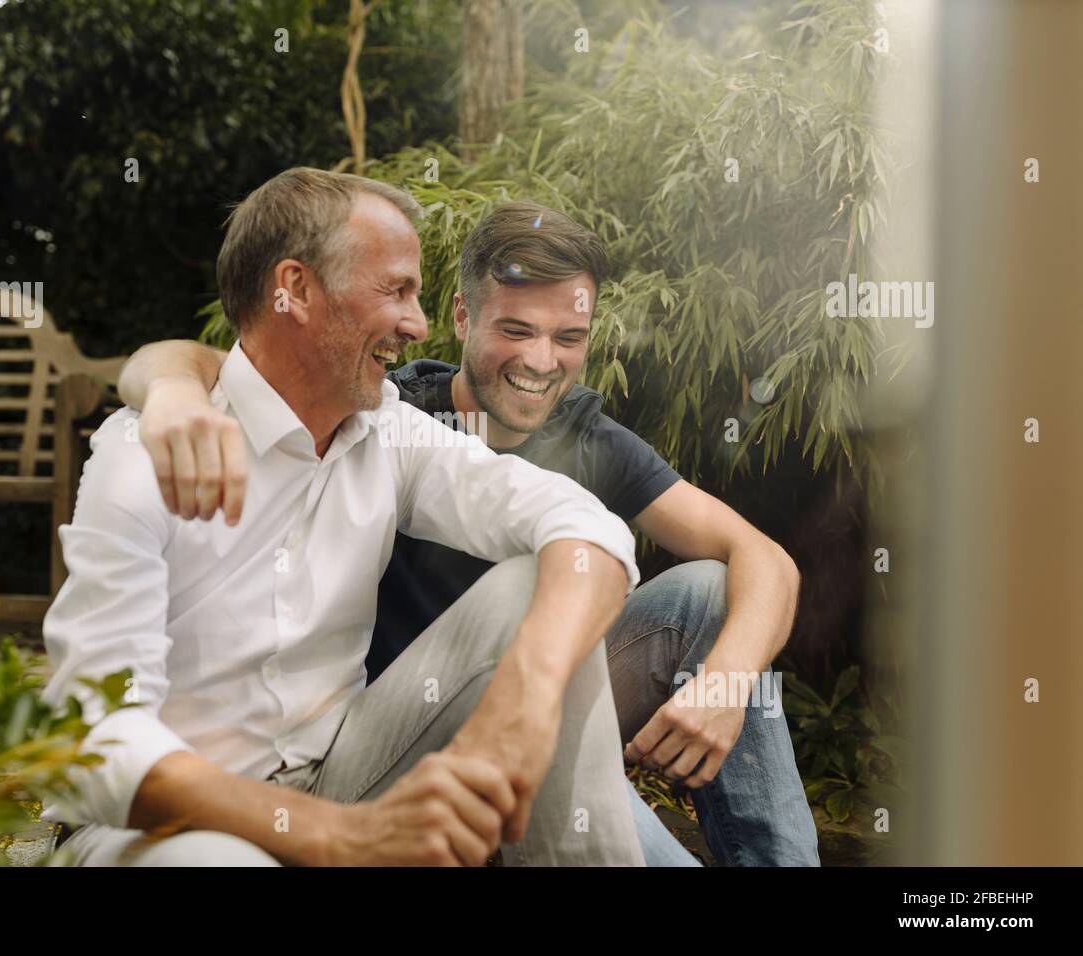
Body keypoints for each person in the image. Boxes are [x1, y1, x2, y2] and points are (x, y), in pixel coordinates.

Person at [118, 200, 821, 866]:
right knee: (531, 592)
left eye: (567, 338)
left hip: (539, 713)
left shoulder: (591, 438)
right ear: (461, 316)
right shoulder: (385, 413)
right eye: (516, 331)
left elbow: (765, 559)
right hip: (396, 745)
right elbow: (230, 367)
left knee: (714, 591)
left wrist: (725, 685)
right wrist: (172, 387)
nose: (541, 362)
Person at [41, 170, 648, 866]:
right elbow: (97, 749)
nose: (419, 325)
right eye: (396, 291)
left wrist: (526, 702)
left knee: (539, 583)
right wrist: (337, 838)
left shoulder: (390, 431)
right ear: (294, 290)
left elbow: (586, 525)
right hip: (168, 825)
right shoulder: (141, 456)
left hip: (345, 778)